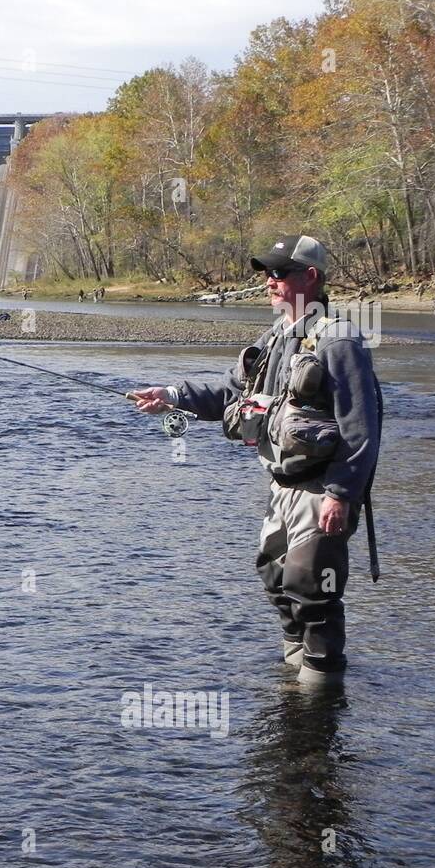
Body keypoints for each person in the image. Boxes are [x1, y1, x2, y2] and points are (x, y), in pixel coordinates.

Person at [130, 234, 381, 684]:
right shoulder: (274, 337)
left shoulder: (340, 341)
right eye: (267, 273)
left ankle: (321, 690)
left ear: (311, 277)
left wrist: (342, 494)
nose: (269, 280)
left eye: (280, 273)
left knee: (311, 584)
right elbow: (230, 393)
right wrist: (170, 395)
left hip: (321, 487)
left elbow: (361, 427)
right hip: (281, 485)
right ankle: (294, 674)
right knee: (275, 575)